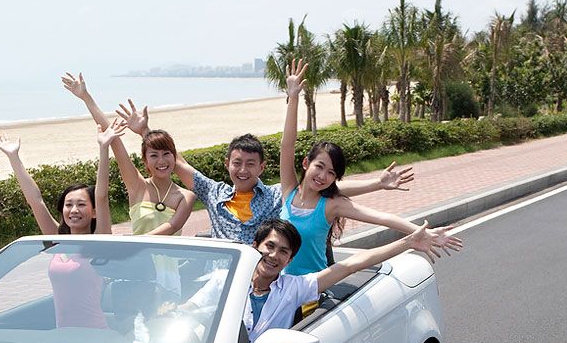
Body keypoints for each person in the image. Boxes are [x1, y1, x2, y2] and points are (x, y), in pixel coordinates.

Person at [116, 65, 415, 244]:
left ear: (262, 166)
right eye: (237, 163)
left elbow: (322, 189)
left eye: (250, 164)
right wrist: (145, 132)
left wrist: (377, 183)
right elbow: (174, 161)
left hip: (263, 280)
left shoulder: (275, 196)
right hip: (222, 284)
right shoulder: (213, 192)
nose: (242, 170)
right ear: (227, 165)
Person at [180, 218, 462, 343]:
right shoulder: (223, 280)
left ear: (290, 260)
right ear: (255, 245)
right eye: (269, 246)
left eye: (283, 252)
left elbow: (351, 265)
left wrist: (409, 241)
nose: (273, 255)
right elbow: (188, 312)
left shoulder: (294, 288)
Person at [278, 62, 436, 276]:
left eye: (332, 173)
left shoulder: (332, 205)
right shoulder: (289, 191)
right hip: (280, 287)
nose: (323, 176)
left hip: (312, 289)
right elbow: (287, 145)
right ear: (306, 164)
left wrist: (422, 232)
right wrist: (293, 97)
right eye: (320, 166)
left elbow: (382, 217)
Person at [0, 122, 125, 328]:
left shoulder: (99, 241)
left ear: (94, 211)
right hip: (62, 333)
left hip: (94, 333)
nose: (73, 210)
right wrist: (13, 157)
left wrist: (104, 147)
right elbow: (36, 201)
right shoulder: (58, 240)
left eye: (81, 205)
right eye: (68, 205)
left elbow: (102, 195)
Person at [61, 72, 195, 236]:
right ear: (145, 161)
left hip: (167, 260)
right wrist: (86, 97)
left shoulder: (186, 196)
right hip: (138, 260)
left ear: (174, 157)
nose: (161, 161)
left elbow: (172, 226)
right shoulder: (137, 186)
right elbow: (115, 140)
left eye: (166, 154)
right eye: (153, 155)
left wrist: (134, 243)